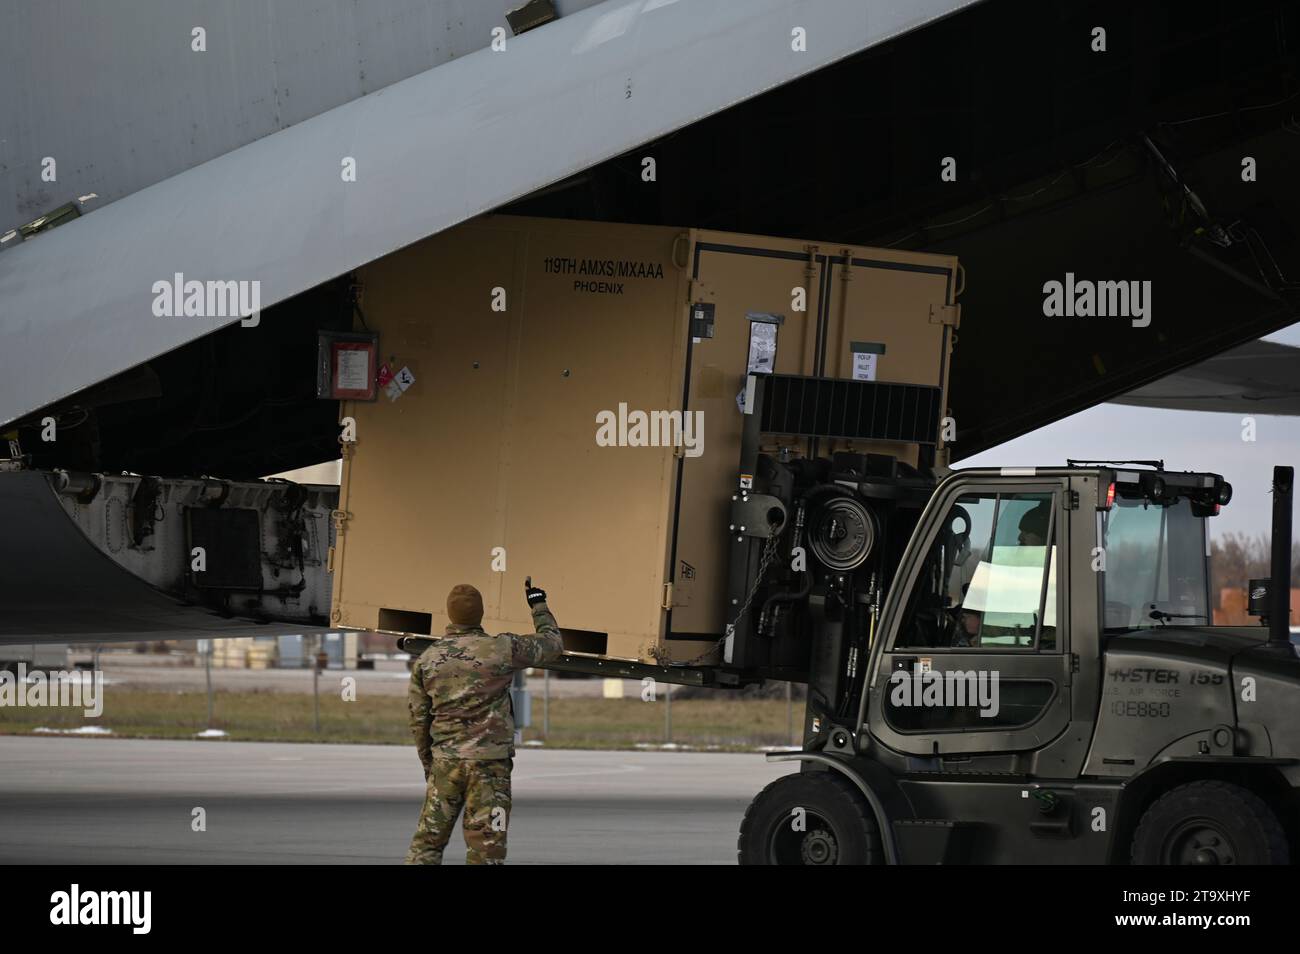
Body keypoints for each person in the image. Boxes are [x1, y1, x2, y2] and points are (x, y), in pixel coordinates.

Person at [406, 578, 563, 865]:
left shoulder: (428, 660)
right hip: (491, 766)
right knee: (487, 847)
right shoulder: (502, 649)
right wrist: (538, 604)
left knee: (427, 844)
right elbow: (553, 645)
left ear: (450, 614)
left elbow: (418, 721)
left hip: (446, 763)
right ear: (480, 613)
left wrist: (431, 765)